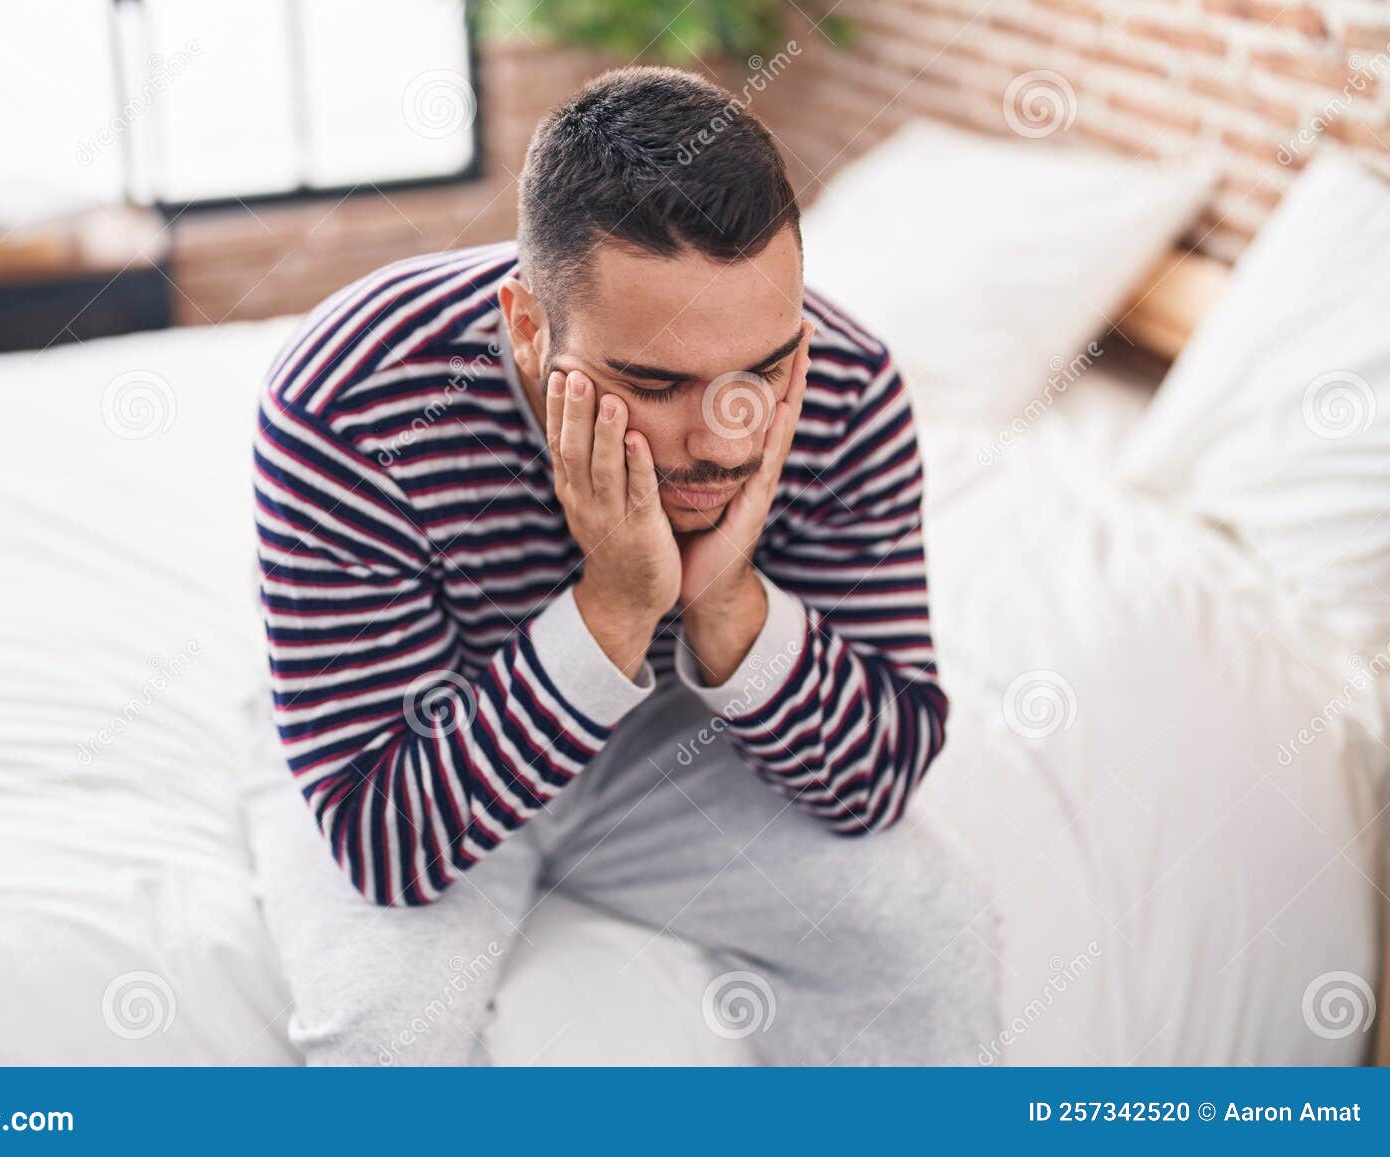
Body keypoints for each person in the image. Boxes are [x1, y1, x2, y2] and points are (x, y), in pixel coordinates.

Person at [252, 66, 998, 1065]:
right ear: (526, 326)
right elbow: (386, 839)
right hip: (426, 732)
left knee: (931, 935)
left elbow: (875, 778)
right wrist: (614, 604)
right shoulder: (346, 400)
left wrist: (727, 600)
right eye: (653, 381)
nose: (725, 437)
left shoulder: (847, 389)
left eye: (764, 368)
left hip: (674, 752)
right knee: (389, 1030)